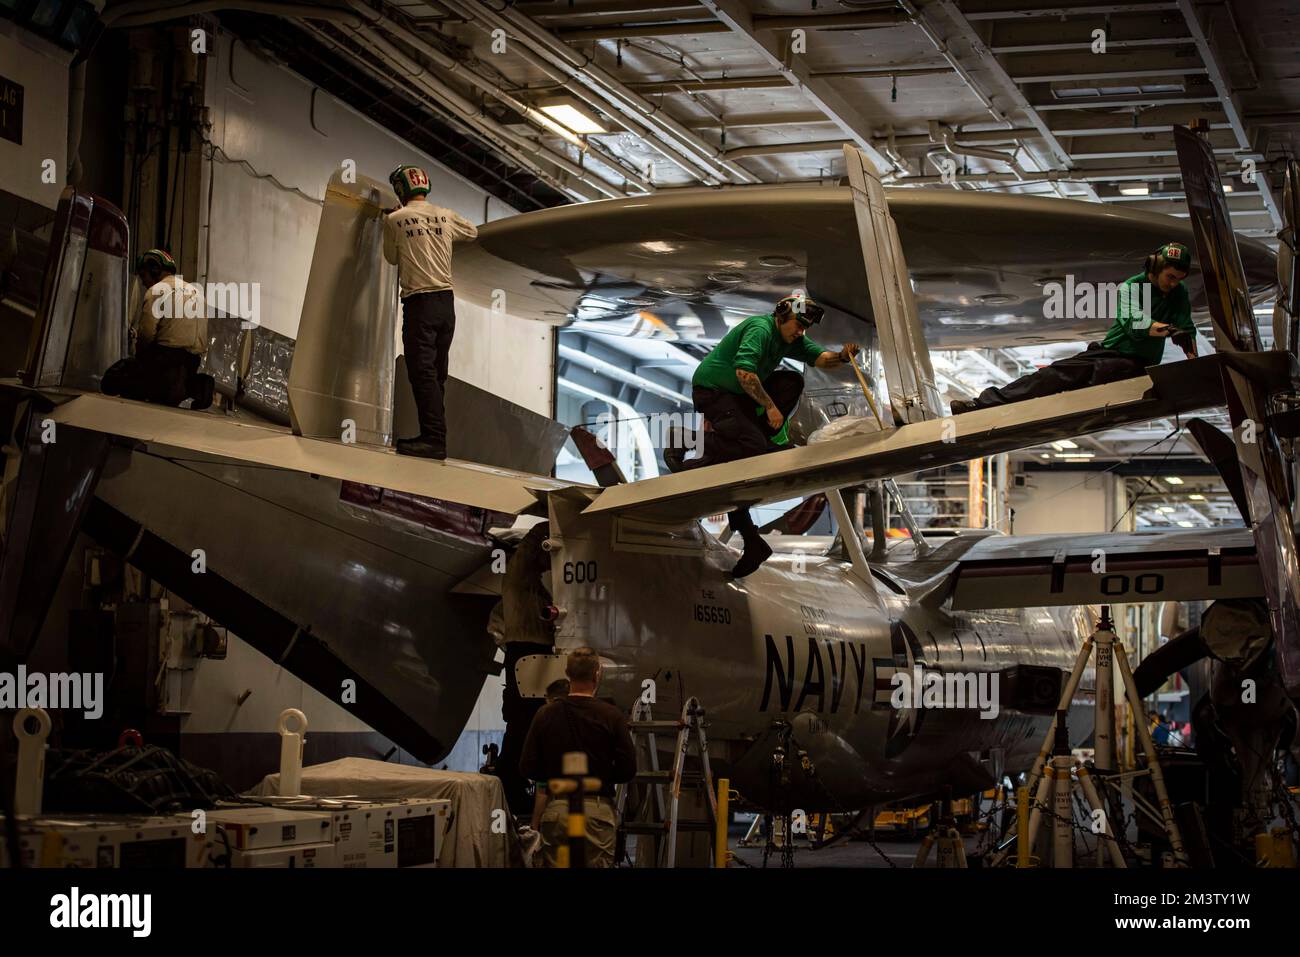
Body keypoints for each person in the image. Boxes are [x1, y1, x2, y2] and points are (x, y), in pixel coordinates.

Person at [665, 293, 861, 577]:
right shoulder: (761, 329)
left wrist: (843, 357)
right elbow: (745, 372)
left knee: (790, 384)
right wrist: (770, 407)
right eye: (798, 324)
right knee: (752, 449)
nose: (801, 331)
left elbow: (820, 358)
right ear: (781, 317)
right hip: (715, 392)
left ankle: (752, 539)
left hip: (737, 399)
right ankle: (685, 440)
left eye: (805, 327)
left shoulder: (788, 338)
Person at [950, 242, 1196, 414]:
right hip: (1113, 355)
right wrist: (1169, 330)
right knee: (1050, 376)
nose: (1174, 284)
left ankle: (985, 404)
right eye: (1170, 277)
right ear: (1154, 267)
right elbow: (1136, 325)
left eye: (1179, 279)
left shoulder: (1178, 292)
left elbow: (1187, 328)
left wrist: (1194, 361)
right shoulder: (1131, 287)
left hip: (1137, 364)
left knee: (1059, 378)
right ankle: (981, 404)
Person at [383, 164, 478, 459]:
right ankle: (435, 435)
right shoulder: (446, 215)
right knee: (436, 373)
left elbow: (389, 258)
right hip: (446, 303)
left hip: (419, 303)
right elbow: (473, 232)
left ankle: (434, 439)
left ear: (401, 189)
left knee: (421, 371)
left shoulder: (396, 219)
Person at [519, 647, 636, 868]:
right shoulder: (611, 715)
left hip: (558, 809)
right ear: (597, 674)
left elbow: (527, 767)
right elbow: (628, 769)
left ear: (567, 673)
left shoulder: (545, 714)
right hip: (597, 812)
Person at [104, 248, 212, 408]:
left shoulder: (156, 291)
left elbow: (146, 335)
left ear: (155, 270)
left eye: (143, 276)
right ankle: (198, 385)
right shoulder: (197, 292)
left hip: (165, 360)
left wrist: (137, 359)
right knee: (175, 386)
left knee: (118, 375)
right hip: (192, 361)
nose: (142, 282)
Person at [528, 678, 571, 838]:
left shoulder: (546, 720)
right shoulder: (591, 716)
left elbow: (542, 790)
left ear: (550, 698)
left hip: (558, 808)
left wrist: (534, 826)